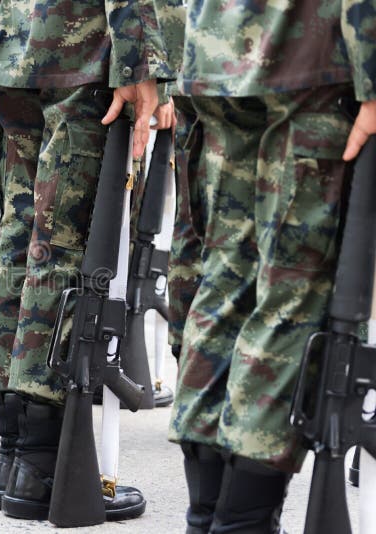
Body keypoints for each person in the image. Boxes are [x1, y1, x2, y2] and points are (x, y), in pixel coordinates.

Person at [164, 0, 376, 531]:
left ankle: (207, 517)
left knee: (225, 280)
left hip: (218, 52)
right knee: (293, 292)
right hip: (311, 57)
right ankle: (242, 522)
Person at [0, 0, 173, 522]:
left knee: (21, 234)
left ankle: (15, 454)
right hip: (84, 41)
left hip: (15, 38)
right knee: (62, 241)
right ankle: (43, 462)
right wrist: (141, 58)